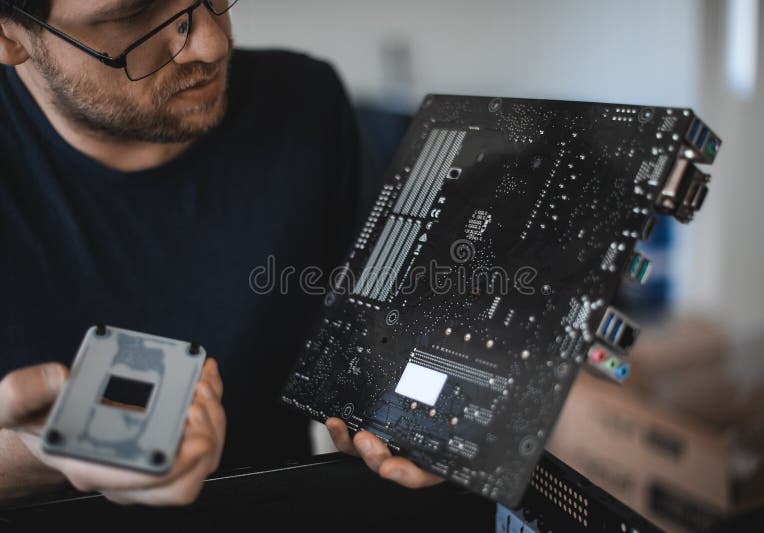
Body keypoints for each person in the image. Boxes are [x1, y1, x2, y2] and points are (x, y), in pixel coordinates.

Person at [0, 0, 441, 505]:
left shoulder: (304, 99)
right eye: (132, 17)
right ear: (11, 35)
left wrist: (403, 410)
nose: (211, 43)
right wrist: (40, 452)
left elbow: (370, 337)